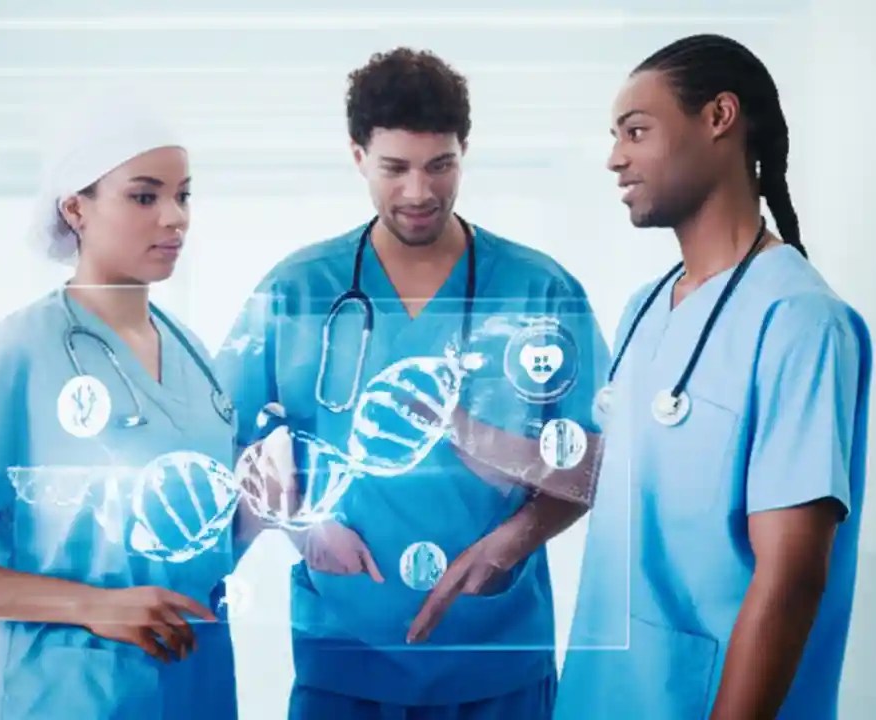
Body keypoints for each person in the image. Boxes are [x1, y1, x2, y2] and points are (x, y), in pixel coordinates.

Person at [215, 48, 610, 719]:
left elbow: (595, 467)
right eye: (395, 168)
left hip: (495, 652)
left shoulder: (540, 290)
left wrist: (512, 541)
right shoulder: (297, 291)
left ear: (465, 152)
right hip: (345, 654)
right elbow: (226, 445)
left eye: (440, 165)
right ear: (357, 155)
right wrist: (302, 526)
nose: (420, 192)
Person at [0, 92, 269, 719]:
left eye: (183, 195)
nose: (175, 217)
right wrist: (90, 604)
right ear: (76, 208)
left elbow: (187, 547)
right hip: (72, 697)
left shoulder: (194, 356)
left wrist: (259, 511)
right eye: (144, 196)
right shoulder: (14, 354)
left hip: (199, 691)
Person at [553, 34, 873, 720]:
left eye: (636, 131)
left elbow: (791, 580)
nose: (615, 158)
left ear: (719, 117)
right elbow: (616, 478)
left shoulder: (799, 321)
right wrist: (466, 435)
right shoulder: (645, 309)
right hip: (601, 696)